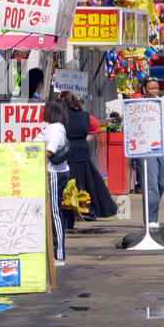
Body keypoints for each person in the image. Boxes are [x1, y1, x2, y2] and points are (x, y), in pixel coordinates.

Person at [61, 91, 117, 224]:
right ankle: (87, 210)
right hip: (83, 151)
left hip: (67, 151)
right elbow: (95, 128)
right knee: (87, 181)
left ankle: (70, 211)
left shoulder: (60, 117)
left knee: (69, 183)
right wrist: (85, 140)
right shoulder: (86, 116)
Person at [137, 77, 164, 225]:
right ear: (144, 89)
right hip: (146, 147)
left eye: (157, 88)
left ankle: (152, 210)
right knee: (150, 183)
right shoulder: (137, 104)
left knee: (161, 181)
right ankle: (151, 220)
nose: (155, 91)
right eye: (152, 88)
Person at [42, 98, 70, 266]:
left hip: (53, 173)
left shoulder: (54, 129)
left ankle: (58, 254)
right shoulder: (54, 128)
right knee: (52, 213)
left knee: (54, 213)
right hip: (54, 172)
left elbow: (49, 152)